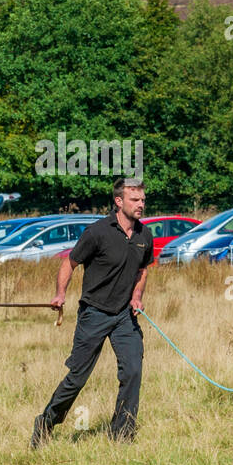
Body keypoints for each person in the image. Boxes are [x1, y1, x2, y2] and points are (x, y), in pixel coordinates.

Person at [32, 178, 153, 448]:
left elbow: (143, 271)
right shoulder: (98, 232)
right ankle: (46, 422)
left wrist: (136, 297)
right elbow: (69, 263)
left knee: (133, 370)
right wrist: (60, 294)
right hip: (94, 313)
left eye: (143, 200)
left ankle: (121, 434)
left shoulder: (145, 236)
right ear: (119, 202)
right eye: (135, 200)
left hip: (124, 316)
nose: (141, 204)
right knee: (77, 378)